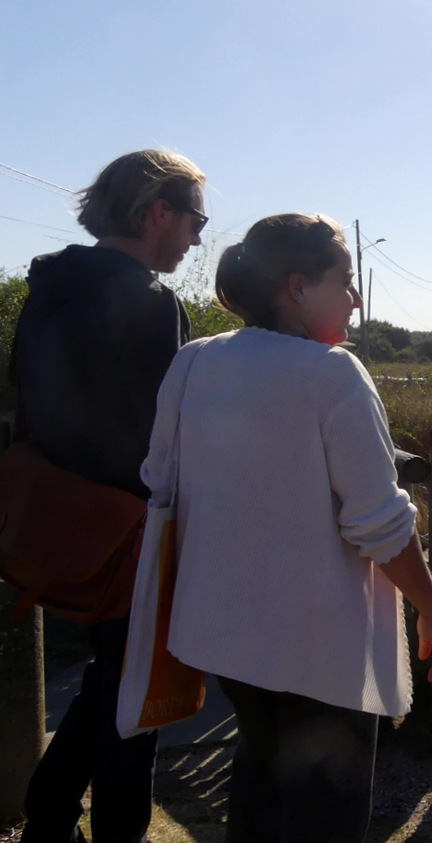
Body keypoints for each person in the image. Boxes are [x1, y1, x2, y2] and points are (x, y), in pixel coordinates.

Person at [140, 213, 432, 841]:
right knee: (324, 810)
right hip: (319, 645)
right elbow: (381, 525)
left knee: (258, 770)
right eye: (345, 279)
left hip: (224, 630)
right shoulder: (333, 374)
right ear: (297, 287)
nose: (357, 297)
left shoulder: (196, 361)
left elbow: (160, 480)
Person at [13, 149, 206, 843]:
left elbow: (25, 412)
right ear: (158, 212)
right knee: (140, 696)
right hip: (131, 533)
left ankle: (49, 814)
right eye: (194, 219)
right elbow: (170, 434)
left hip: (61, 530)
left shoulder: (47, 291)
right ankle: (114, 832)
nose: (195, 238)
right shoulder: (149, 302)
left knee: (110, 678)